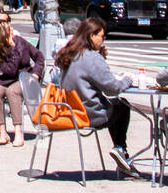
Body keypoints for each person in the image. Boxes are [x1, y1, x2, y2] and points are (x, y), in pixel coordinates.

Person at [54, 16, 138, 176]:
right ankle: (120, 149)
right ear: (92, 36)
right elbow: (112, 88)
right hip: (90, 114)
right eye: (102, 36)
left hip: (70, 111)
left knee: (115, 106)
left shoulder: (69, 54)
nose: (103, 40)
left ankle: (120, 152)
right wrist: (128, 80)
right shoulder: (92, 57)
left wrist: (100, 56)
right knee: (122, 104)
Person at [0, 18, 44, 147]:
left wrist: (36, 74)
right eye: (7, 30)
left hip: (24, 77)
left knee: (12, 92)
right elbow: (11, 70)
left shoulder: (20, 42)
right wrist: (12, 48)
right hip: (8, 78)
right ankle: (2, 131)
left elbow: (39, 56)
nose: (11, 30)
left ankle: (18, 132)